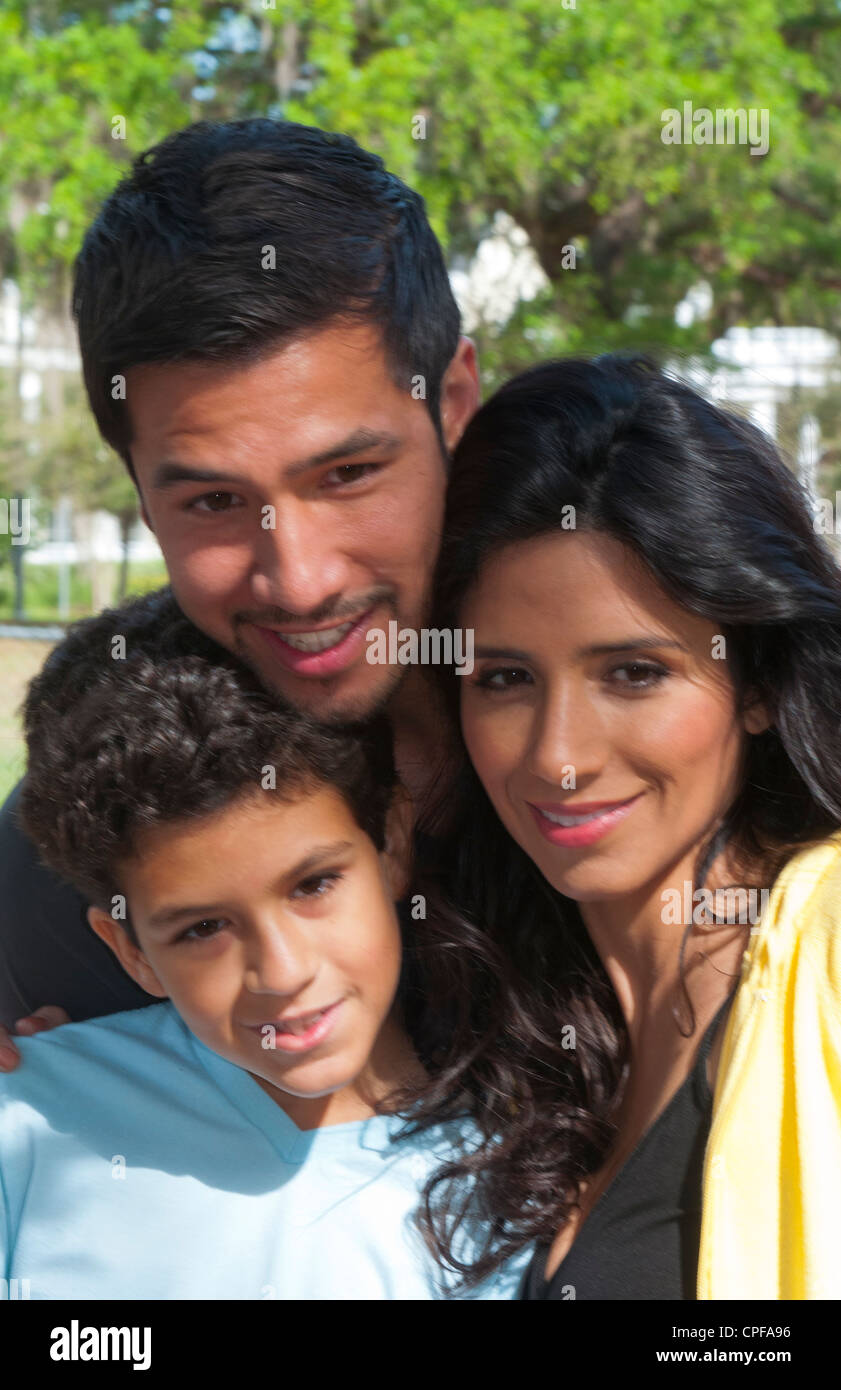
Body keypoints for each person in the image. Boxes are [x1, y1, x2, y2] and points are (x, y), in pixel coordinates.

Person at [0, 115, 478, 1035]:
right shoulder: (89, 853)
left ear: (452, 403)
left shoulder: (630, 749)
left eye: (347, 475)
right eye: (214, 503)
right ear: (141, 493)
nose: (297, 583)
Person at [415, 354, 841, 1299]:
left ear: (760, 683)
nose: (558, 755)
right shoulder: (524, 1025)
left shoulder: (829, 941)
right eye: (505, 679)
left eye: (635, 673)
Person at [0, 593, 527, 1299]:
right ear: (129, 949)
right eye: (202, 929)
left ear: (392, 844)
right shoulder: (28, 1120)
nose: (282, 972)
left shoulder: (515, 1183)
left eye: (313, 885)